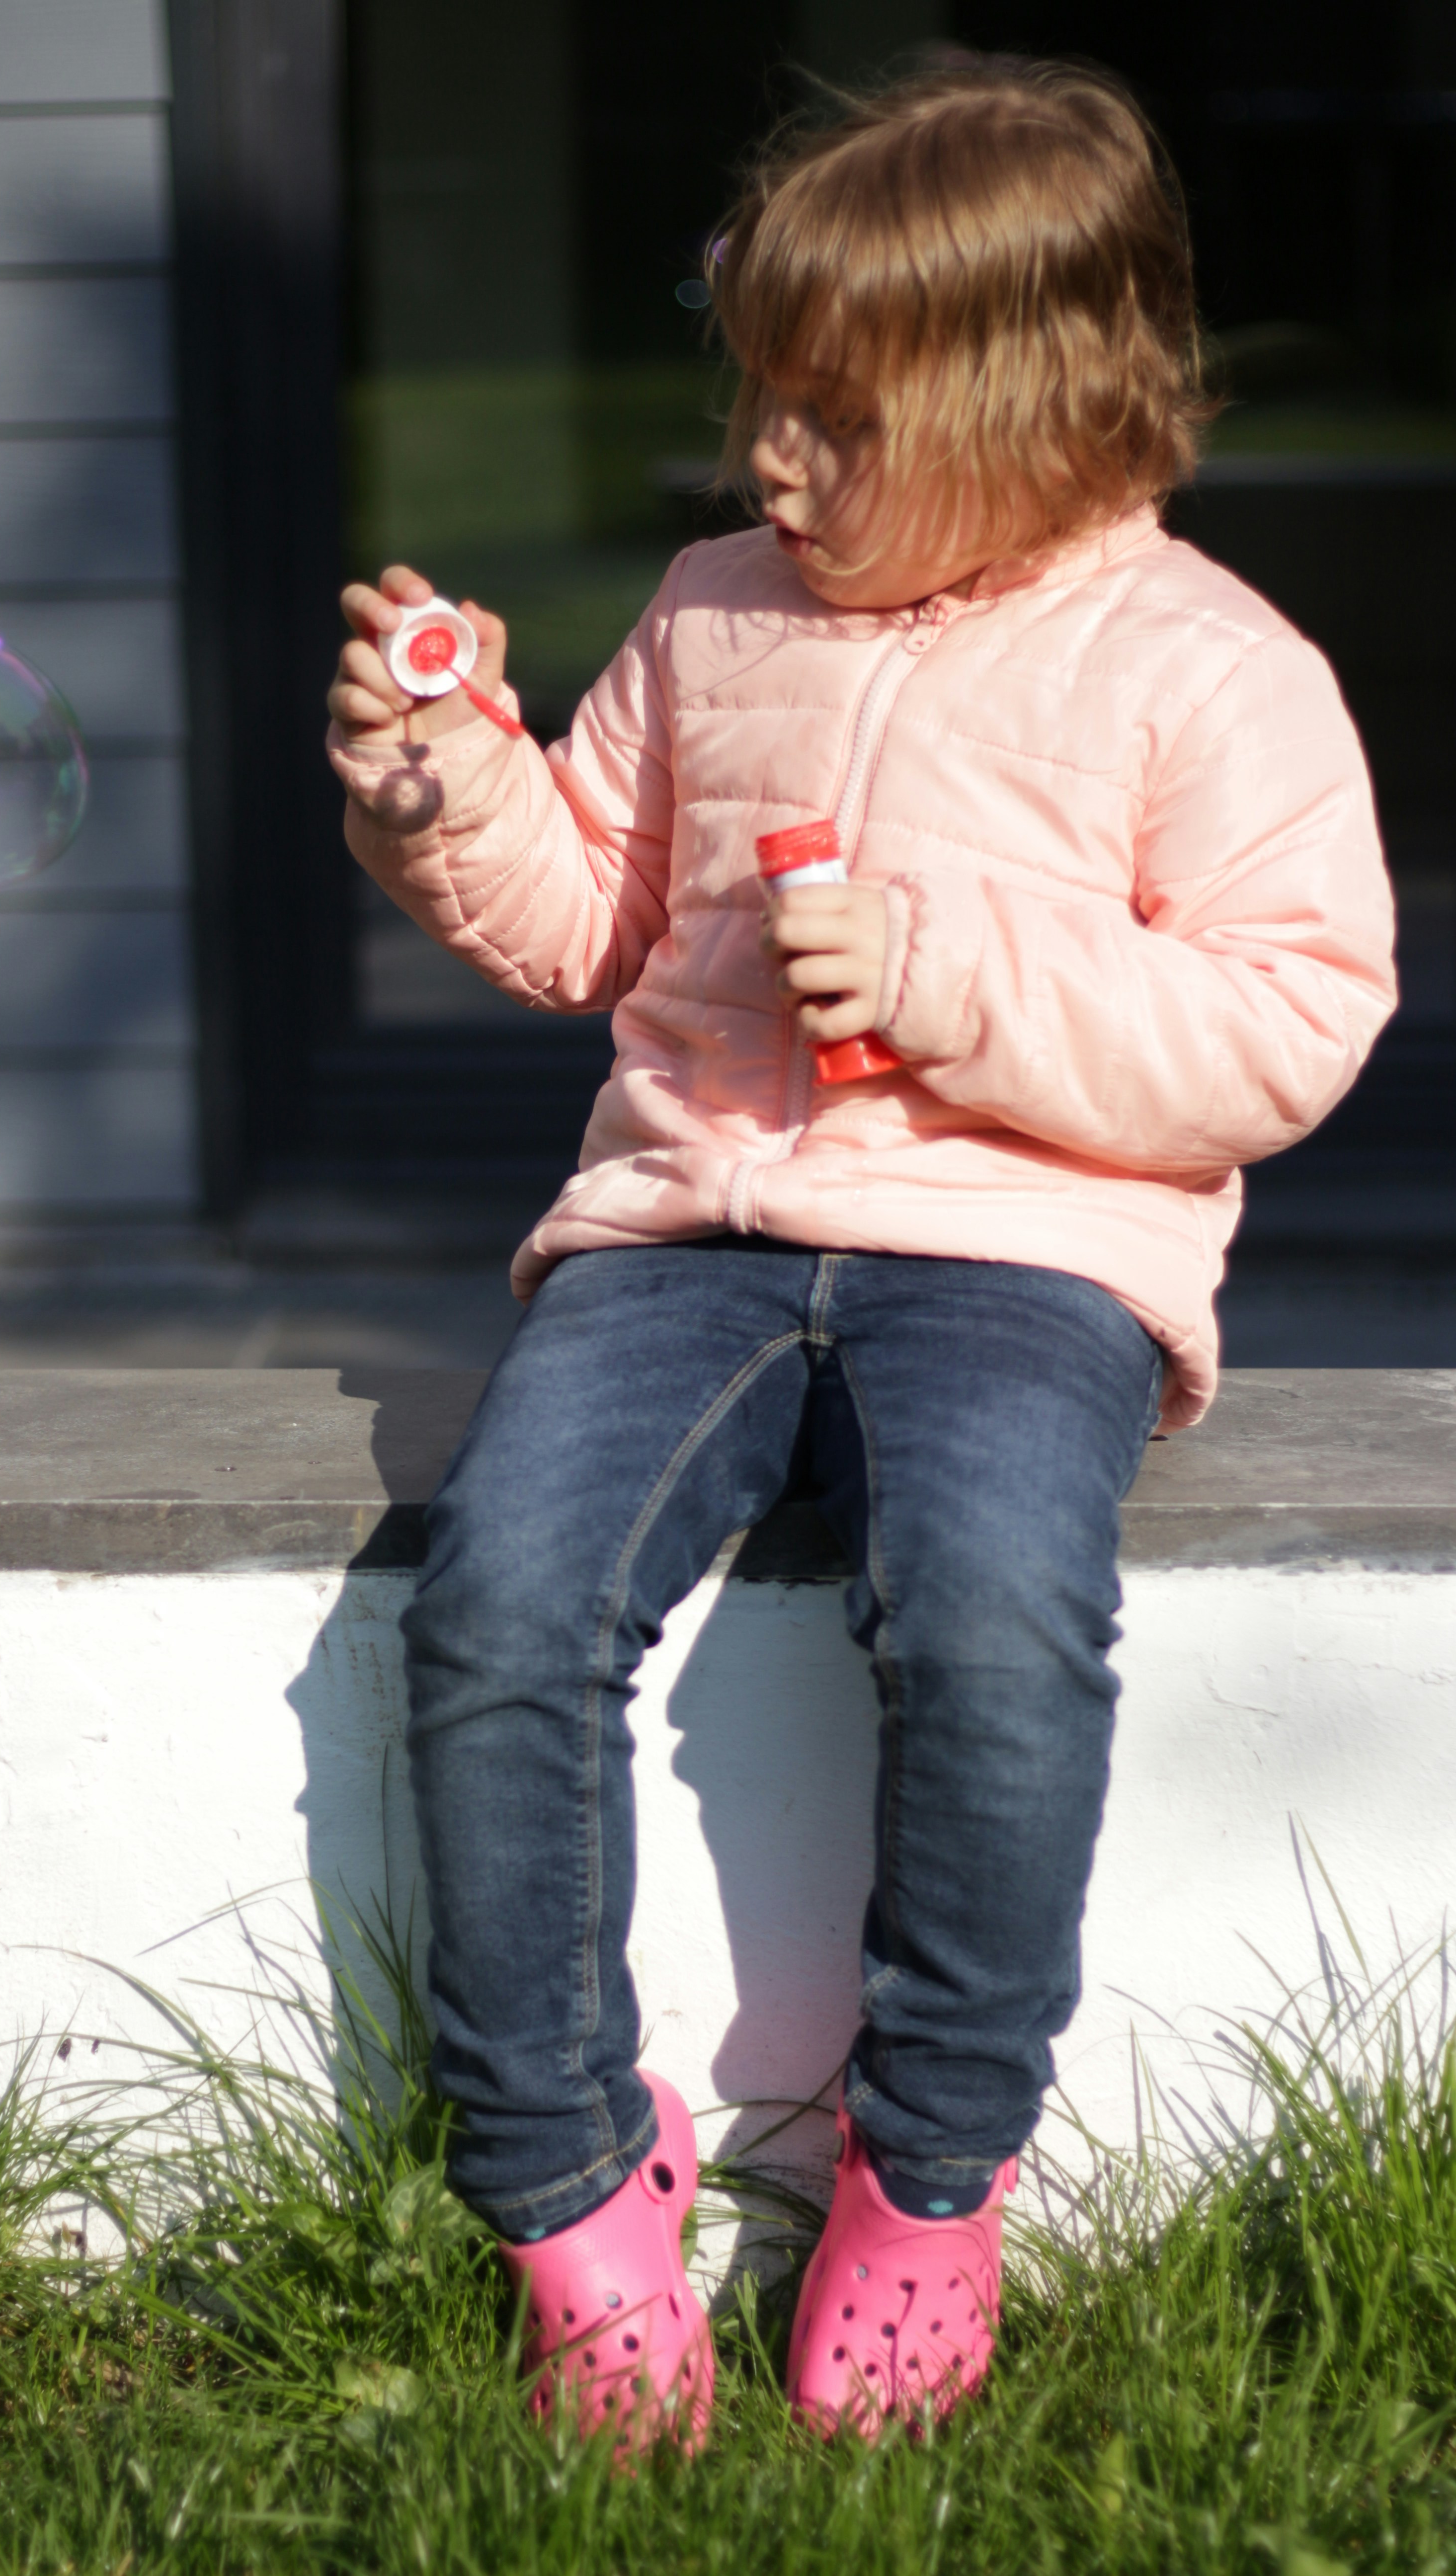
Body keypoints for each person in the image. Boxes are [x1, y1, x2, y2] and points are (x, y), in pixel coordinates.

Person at [325, 59, 1395, 2450]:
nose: (766, 469)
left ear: (1029, 407)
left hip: (1030, 1252)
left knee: (998, 1618)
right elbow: (593, 918)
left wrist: (949, 988)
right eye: (760, 408)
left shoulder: (1209, 670)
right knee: (502, 1609)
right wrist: (457, 795)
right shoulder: (717, 619)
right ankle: (569, 2184)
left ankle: (932, 2171)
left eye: (830, 422)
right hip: (689, 1224)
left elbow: (1284, 1024)